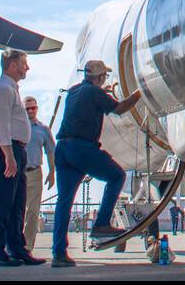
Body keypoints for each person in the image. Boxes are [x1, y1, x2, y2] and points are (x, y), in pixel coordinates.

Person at [50, 60, 140, 267]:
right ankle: (101, 224)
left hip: (63, 148)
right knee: (117, 176)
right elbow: (120, 108)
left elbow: (88, 100)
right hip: (82, 148)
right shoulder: (94, 93)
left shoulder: (74, 91)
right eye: (104, 77)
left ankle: (59, 253)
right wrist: (139, 93)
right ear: (99, 77)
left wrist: (102, 93)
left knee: (64, 202)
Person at [0, 50, 42, 267]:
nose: (27, 68)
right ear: (13, 65)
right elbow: (1, 125)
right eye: (24, 63)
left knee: (17, 203)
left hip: (15, 149)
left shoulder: (11, 89)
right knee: (2, 202)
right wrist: (8, 155)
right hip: (5, 150)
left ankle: (17, 248)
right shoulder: (3, 89)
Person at [22, 96, 56, 252]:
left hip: (35, 173)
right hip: (17, 173)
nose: (30, 111)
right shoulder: (16, 126)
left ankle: (27, 246)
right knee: (16, 211)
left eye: (33, 108)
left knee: (32, 212)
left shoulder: (43, 129)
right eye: (27, 108)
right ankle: (14, 245)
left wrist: (52, 172)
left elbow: (50, 151)